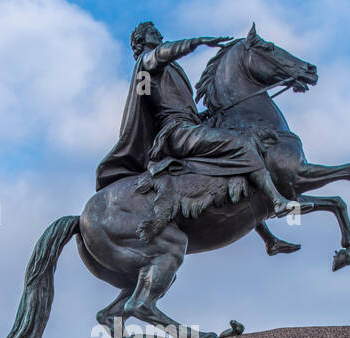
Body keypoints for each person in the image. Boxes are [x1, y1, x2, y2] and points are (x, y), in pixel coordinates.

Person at [96, 21, 296, 218]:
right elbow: (160, 57)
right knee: (242, 144)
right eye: (153, 32)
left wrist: (201, 116)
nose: (159, 35)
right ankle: (277, 202)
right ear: (141, 40)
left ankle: (267, 235)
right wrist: (196, 42)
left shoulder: (166, 70)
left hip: (187, 126)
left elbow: (165, 102)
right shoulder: (148, 62)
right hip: (178, 132)